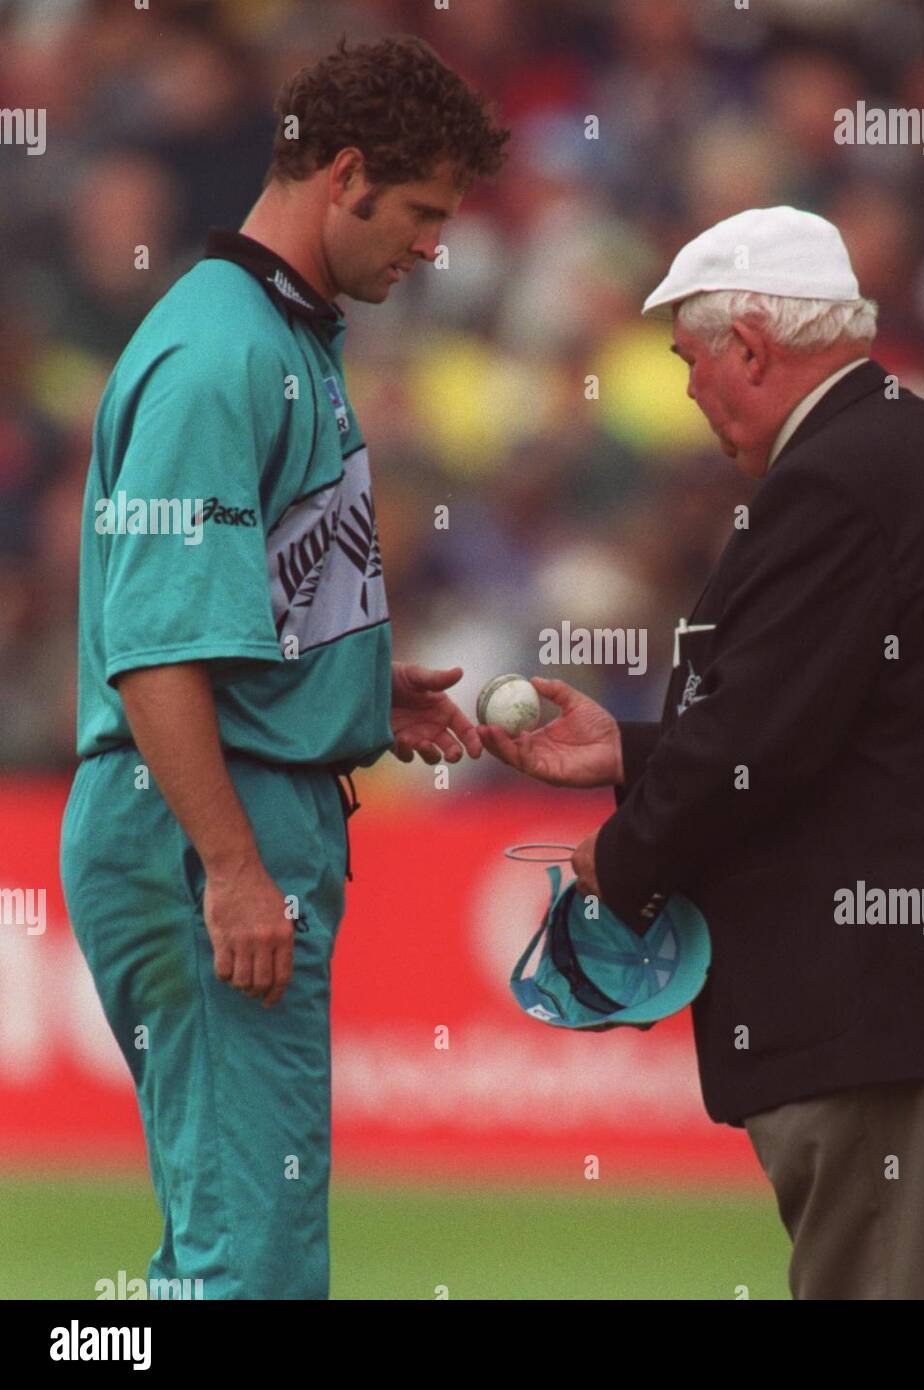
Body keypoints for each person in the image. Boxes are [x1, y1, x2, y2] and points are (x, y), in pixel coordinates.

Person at [478, 206, 924, 1300]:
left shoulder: (834, 479)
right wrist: (631, 750)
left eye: (692, 361)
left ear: (751, 343)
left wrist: (625, 856)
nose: (690, 392)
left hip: (899, 1002)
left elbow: (763, 739)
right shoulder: (921, 448)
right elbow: (862, 728)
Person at [60, 36, 508, 1300]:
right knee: (250, 1268)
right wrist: (236, 867)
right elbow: (153, 653)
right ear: (347, 175)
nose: (433, 246)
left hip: (230, 801)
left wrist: (356, 686)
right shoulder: (224, 353)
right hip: (203, 824)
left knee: (227, 1254)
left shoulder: (282, 330)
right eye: (422, 212)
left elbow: (235, 612)